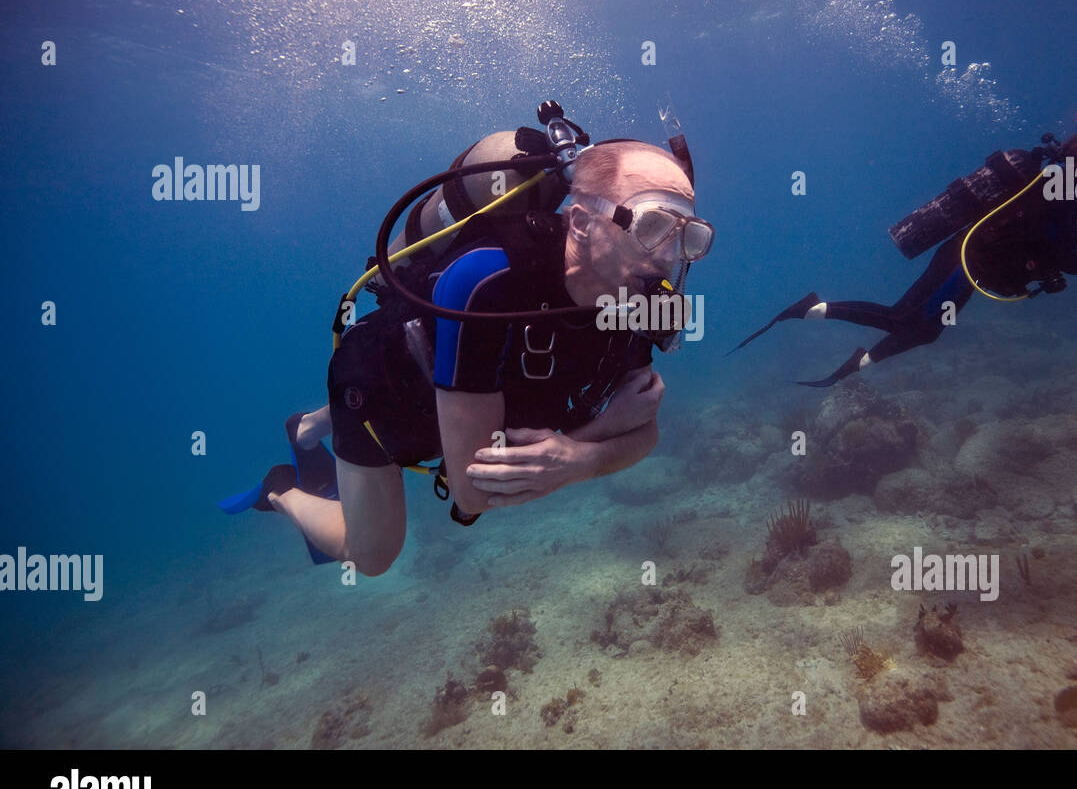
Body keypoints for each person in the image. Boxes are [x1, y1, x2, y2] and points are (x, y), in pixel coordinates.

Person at [222, 133, 712, 575]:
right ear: (581, 223)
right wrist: (585, 448)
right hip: (381, 391)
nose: (670, 257)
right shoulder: (484, 280)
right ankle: (279, 489)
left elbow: (645, 429)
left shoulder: (642, 299)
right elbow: (473, 491)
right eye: (652, 226)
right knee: (371, 556)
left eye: (689, 236)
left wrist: (577, 460)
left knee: (469, 375)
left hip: (466, 381)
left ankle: (307, 426)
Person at [731, 129, 1077, 386]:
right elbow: (1071, 259)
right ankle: (810, 310)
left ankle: (856, 361)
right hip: (967, 262)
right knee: (901, 318)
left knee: (926, 330)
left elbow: (1050, 245)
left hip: (969, 259)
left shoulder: (1055, 182)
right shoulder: (1074, 200)